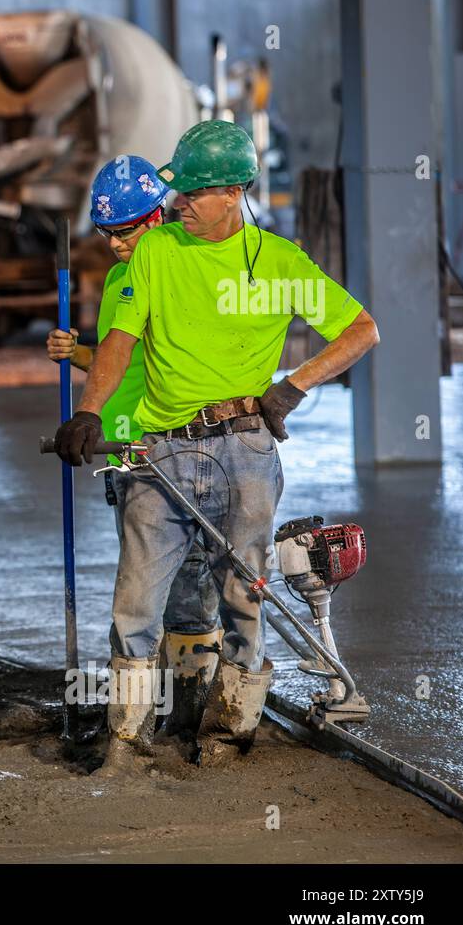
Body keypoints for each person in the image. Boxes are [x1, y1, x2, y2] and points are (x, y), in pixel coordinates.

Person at [53, 122, 379, 769]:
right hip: (159, 452)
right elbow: (121, 339)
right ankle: (125, 743)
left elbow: (362, 330)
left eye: (192, 195)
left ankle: (227, 738)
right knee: (135, 604)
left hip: (246, 452)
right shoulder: (156, 253)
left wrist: (292, 387)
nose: (177, 205)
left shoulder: (280, 263)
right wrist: (89, 412)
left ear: (233, 192)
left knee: (243, 601)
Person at [47, 157, 221, 740]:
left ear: (158, 215)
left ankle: (195, 718)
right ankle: (139, 725)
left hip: (187, 446)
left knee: (193, 587)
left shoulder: (187, 265)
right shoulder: (123, 278)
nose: (117, 243)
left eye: (126, 229)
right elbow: (121, 360)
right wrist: (77, 356)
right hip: (131, 452)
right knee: (140, 589)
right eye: (107, 232)